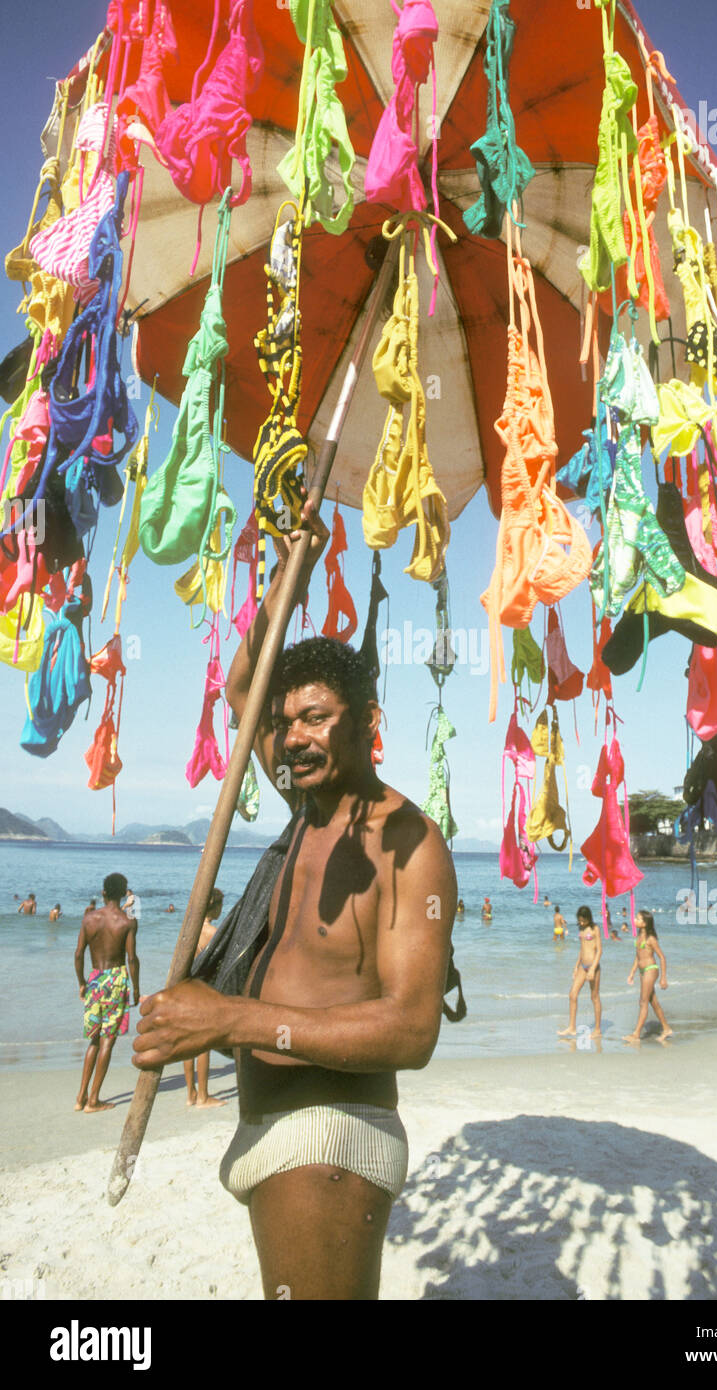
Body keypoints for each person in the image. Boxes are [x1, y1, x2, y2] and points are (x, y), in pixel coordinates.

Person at [133, 500, 457, 1302]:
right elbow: (244, 689)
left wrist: (230, 1019)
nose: (296, 737)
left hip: (331, 1138)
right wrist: (295, 566)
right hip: (278, 1131)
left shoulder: (408, 843)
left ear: (366, 724)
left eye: (318, 716)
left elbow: (413, 1029)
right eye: (288, 723)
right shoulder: (309, 808)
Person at [75, 873, 140, 1112]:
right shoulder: (128, 921)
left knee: (94, 1039)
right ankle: (93, 1100)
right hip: (117, 979)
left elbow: (79, 954)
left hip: (95, 978)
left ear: (103, 892)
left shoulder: (89, 918)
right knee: (107, 1042)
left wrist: (82, 981)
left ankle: (80, 1097)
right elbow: (132, 958)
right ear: (124, 893)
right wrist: (136, 988)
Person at [183, 889, 227, 1109]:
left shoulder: (189, 929)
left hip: (186, 987)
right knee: (203, 1044)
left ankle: (190, 1093)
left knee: (189, 1042)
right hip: (204, 989)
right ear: (215, 907)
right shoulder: (212, 932)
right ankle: (203, 1096)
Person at [624, 910, 672, 1043]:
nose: (634, 920)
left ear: (645, 923)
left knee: (642, 1002)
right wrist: (632, 973)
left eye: (638, 919)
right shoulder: (639, 936)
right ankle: (666, 1028)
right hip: (642, 971)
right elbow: (638, 956)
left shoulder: (651, 939)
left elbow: (662, 957)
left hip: (651, 969)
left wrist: (663, 978)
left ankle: (636, 1034)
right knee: (653, 1002)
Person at [558, 906, 602, 1038]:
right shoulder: (581, 929)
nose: (581, 923)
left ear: (589, 918)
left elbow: (599, 950)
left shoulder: (595, 929)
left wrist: (593, 969)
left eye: (583, 920)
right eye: (580, 921)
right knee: (572, 994)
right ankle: (572, 1027)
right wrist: (576, 966)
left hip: (594, 966)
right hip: (582, 967)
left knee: (594, 997)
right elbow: (582, 949)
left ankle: (598, 1030)